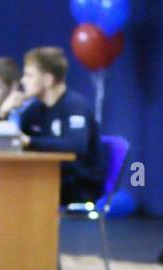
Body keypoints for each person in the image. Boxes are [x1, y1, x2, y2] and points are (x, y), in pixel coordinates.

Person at [16, 46, 106, 204]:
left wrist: (30, 142)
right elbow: (13, 140)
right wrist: (4, 113)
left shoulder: (75, 106)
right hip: (46, 177)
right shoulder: (34, 109)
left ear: (48, 80)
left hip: (78, 184)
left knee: (14, 190)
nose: (23, 80)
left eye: (29, 75)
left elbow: (76, 146)